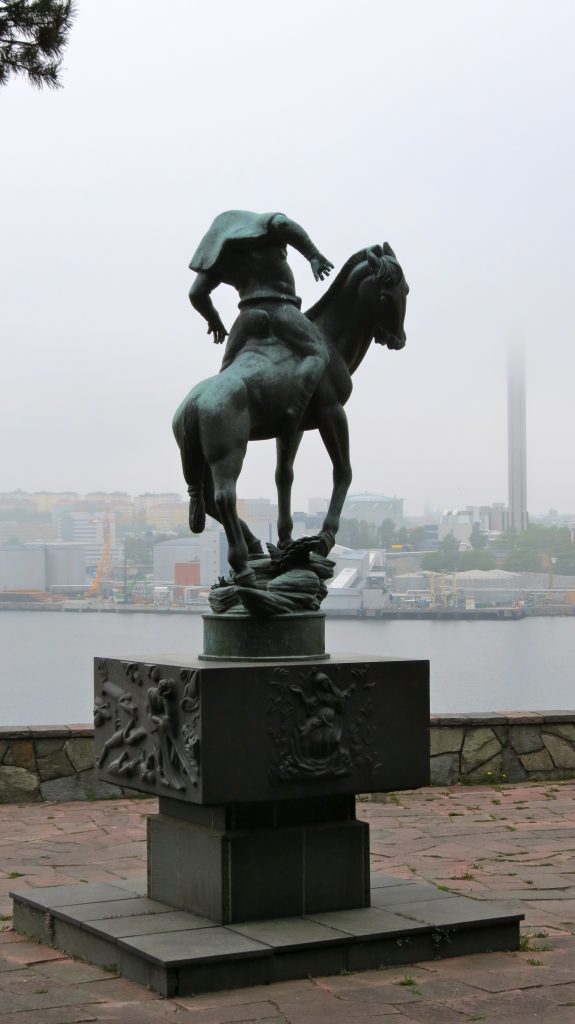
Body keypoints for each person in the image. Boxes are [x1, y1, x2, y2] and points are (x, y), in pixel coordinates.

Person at [189, 210, 334, 429]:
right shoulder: (264, 230)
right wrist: (313, 254)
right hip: (280, 309)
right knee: (319, 351)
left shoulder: (223, 255)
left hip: (245, 320)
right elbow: (283, 224)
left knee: (226, 373)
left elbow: (196, 293)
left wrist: (215, 320)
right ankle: (295, 410)